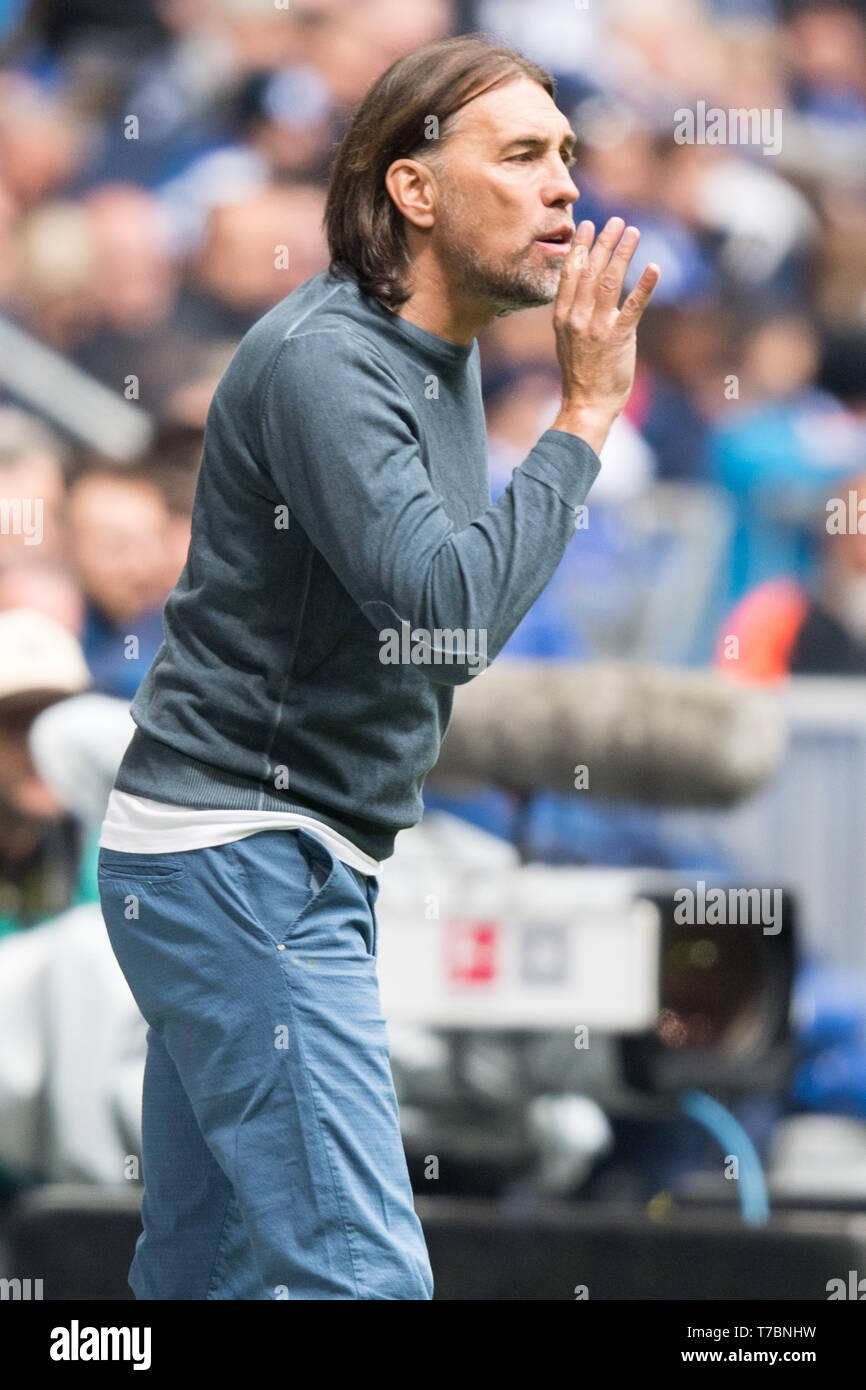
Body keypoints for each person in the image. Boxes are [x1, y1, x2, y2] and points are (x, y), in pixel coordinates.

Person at [97, 32, 659, 1301]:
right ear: (413, 189)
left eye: (566, 153)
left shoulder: (434, 352)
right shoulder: (328, 360)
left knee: (203, 1281)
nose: (564, 184)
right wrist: (581, 418)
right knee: (362, 1281)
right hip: (242, 856)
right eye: (520, 155)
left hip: (252, 856)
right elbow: (447, 620)